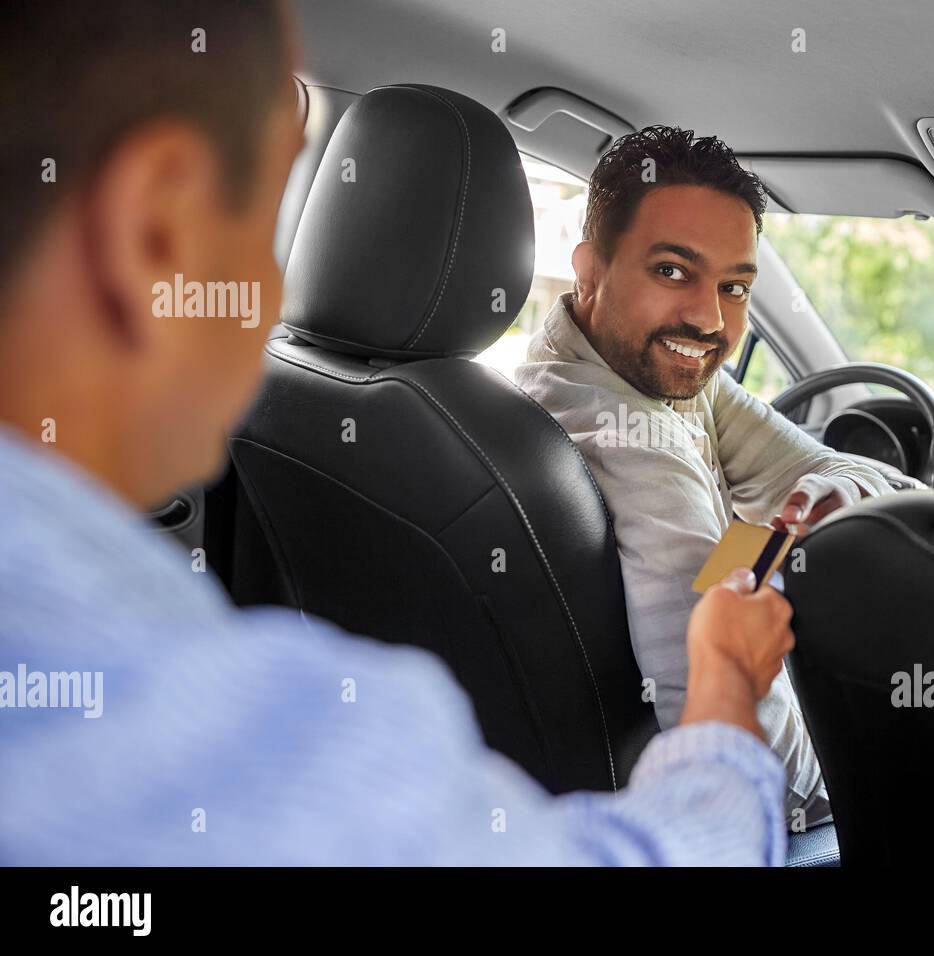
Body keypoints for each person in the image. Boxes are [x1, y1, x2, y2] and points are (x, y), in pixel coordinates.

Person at [0, 0, 796, 866]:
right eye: (259, 222)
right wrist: (726, 676)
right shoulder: (209, 732)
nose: (272, 293)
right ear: (154, 230)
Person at [516, 127, 900, 828]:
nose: (707, 317)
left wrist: (832, 497)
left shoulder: (656, 374)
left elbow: (843, 473)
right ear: (590, 267)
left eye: (734, 287)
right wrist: (867, 781)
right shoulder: (630, 443)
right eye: (671, 271)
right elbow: (742, 739)